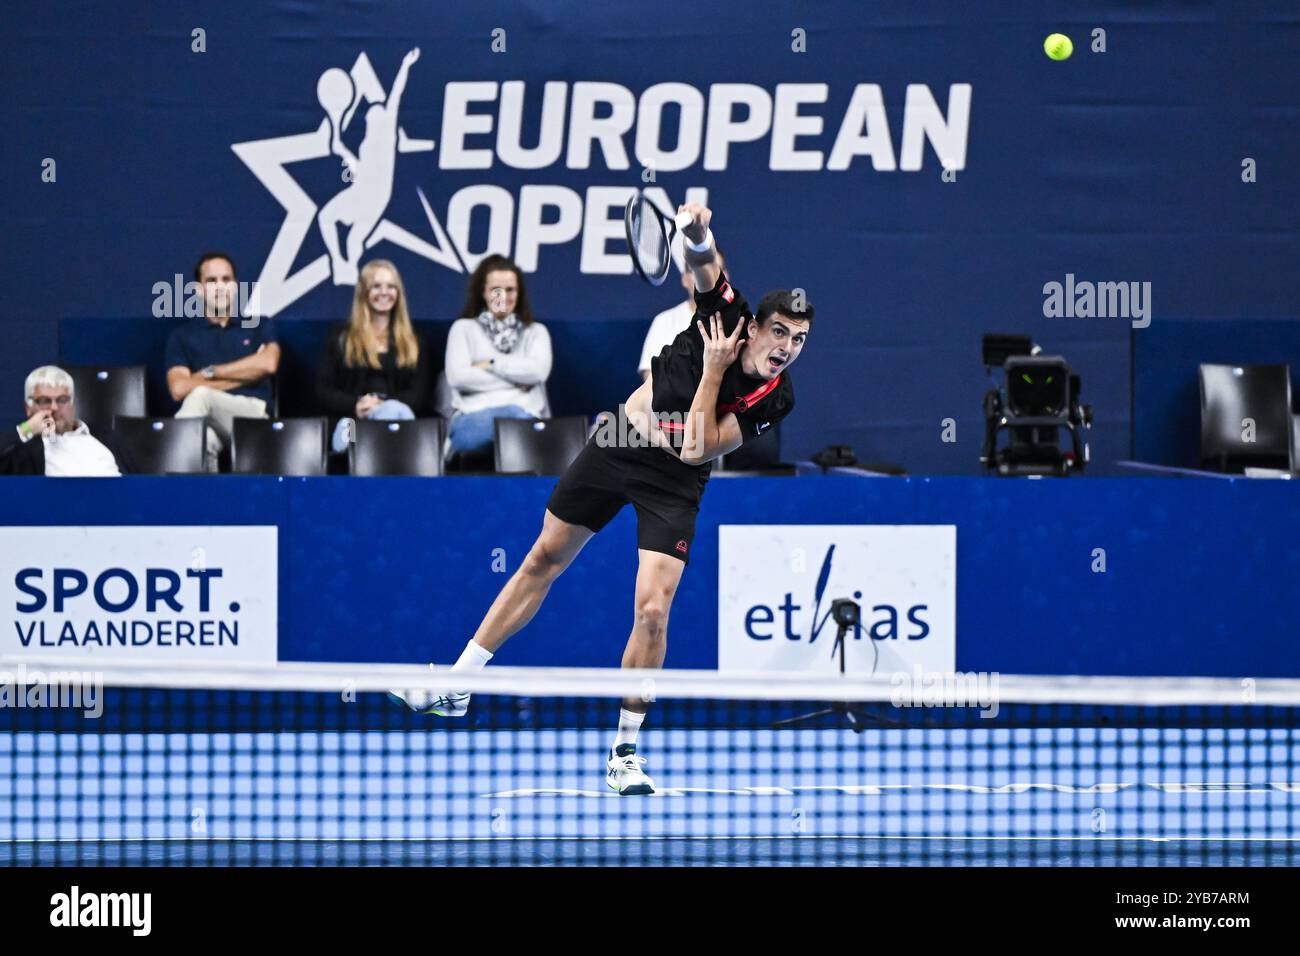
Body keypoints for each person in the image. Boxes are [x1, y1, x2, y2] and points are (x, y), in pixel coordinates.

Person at [393, 204, 812, 795]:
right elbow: (702, 260)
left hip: (676, 477)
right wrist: (697, 229)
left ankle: (624, 752)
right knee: (543, 559)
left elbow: (696, 448)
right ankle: (457, 685)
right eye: (780, 333)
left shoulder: (776, 395)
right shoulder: (725, 311)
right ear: (755, 324)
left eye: (800, 340)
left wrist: (714, 370)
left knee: (652, 610)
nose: (788, 347)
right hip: (617, 443)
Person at [165, 253, 279, 471]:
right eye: (211, 281)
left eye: (226, 280)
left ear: (235, 286)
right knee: (202, 440)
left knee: (201, 395)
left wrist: (208, 372)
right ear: (199, 289)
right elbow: (179, 389)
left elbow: (268, 365)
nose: (220, 287)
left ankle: (164, 478)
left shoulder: (258, 325)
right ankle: (207, 502)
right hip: (210, 421)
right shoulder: (182, 336)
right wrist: (247, 372)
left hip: (254, 418)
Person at [443, 254, 552, 463]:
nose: (503, 296)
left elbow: (537, 372)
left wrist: (489, 364)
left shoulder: (536, 332)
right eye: (496, 289)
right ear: (483, 292)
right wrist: (517, 378)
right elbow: (458, 377)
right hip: (471, 423)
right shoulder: (463, 329)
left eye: (510, 289)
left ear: (519, 293)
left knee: (519, 419)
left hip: (526, 422)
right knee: (513, 415)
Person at [317, 259, 431, 454]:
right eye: (376, 286)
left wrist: (382, 406)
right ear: (364, 292)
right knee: (350, 433)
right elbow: (323, 390)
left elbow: (419, 395)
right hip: (353, 421)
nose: (384, 292)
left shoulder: (415, 341)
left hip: (397, 423)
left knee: (395, 411)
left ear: (398, 292)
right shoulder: (341, 338)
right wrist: (356, 405)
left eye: (391, 286)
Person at [0, 366, 135, 476]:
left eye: (62, 400)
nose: (54, 407)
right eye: (44, 401)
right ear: (28, 408)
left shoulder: (107, 438)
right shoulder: (23, 450)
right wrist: (26, 429)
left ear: (72, 404)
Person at [637, 247, 726, 382]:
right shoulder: (663, 322)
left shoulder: (745, 322)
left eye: (716, 268)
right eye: (699, 270)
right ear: (685, 279)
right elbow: (650, 377)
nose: (708, 276)